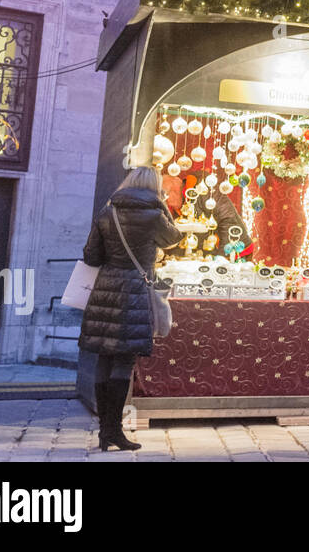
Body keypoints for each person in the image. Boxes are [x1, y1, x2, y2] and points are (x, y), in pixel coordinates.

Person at [79, 166, 183, 451]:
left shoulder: (106, 212)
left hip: (105, 290)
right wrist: (162, 205)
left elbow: (91, 256)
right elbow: (174, 239)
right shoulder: (154, 215)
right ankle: (115, 431)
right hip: (135, 290)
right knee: (124, 361)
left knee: (104, 357)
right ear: (154, 187)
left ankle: (105, 431)